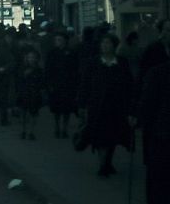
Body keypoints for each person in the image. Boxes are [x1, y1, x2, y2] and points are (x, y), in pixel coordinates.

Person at [78, 33, 134, 178]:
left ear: (114, 45)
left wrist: (130, 105)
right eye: (103, 43)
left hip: (116, 106)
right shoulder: (93, 63)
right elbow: (85, 84)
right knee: (100, 136)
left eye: (108, 43)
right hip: (98, 106)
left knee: (113, 136)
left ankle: (108, 161)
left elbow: (129, 84)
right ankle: (102, 164)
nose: (105, 46)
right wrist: (82, 105)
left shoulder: (121, 62)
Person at [137, 60, 170, 204]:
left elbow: (147, 103)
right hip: (162, 131)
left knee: (158, 179)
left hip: (162, 133)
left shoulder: (158, 72)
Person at [44, 31, 78, 138]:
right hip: (56, 84)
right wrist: (49, 83)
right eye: (56, 40)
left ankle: (64, 128)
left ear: (65, 41)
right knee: (56, 108)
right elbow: (48, 69)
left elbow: (75, 69)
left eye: (59, 40)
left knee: (67, 108)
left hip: (68, 84)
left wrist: (75, 84)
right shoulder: (52, 53)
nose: (57, 42)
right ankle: (57, 126)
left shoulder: (71, 53)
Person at [16, 50, 44, 140]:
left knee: (33, 114)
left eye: (33, 57)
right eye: (29, 57)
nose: (31, 59)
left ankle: (31, 132)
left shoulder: (39, 69)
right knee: (23, 114)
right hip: (24, 93)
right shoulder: (22, 68)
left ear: (36, 59)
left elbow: (42, 82)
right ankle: (23, 131)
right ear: (26, 58)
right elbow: (19, 81)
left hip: (35, 94)